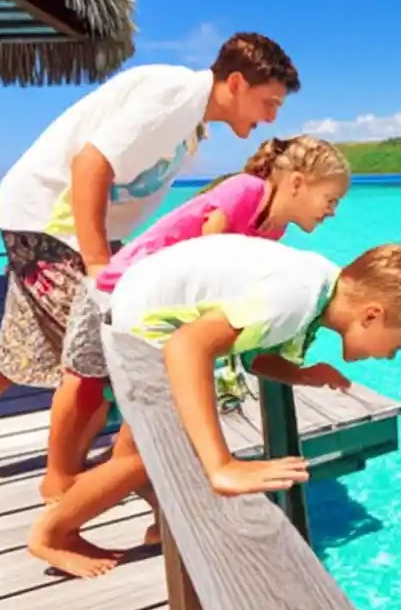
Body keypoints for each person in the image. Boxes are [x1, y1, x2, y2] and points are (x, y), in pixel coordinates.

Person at [0, 32, 300, 504]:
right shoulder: (174, 96)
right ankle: (72, 484)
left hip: (56, 223)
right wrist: (98, 264)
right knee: (105, 355)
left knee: (18, 350)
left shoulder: (190, 117)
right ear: (236, 82)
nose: (271, 117)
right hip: (55, 225)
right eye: (268, 102)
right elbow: (91, 164)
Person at [27, 235, 401, 577]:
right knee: (147, 455)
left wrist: (301, 375)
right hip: (149, 329)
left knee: (138, 452)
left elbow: (252, 355)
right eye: (400, 344)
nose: (392, 356)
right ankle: (52, 534)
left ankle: (147, 526)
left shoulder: (319, 287)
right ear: (372, 315)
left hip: (139, 310)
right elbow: (188, 345)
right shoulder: (296, 298)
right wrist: (221, 465)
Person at [53, 134, 352, 473]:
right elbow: (212, 249)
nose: (332, 210)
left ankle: (117, 471)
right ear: (297, 183)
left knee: (136, 402)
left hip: (160, 313)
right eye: (330, 199)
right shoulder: (247, 190)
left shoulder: (273, 231)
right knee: (85, 384)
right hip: (120, 286)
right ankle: (59, 476)